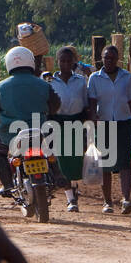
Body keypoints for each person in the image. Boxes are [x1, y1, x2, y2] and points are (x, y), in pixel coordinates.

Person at [0, 46, 60, 200]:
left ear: (9, 63)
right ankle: (57, 174)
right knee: (51, 146)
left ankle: (8, 184)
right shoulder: (43, 84)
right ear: (31, 62)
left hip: (10, 136)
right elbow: (55, 106)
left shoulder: (0, 87)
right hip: (40, 133)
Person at [86, 44, 131, 214]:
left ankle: (126, 199)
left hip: (123, 123)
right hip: (103, 124)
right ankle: (107, 202)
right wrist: (92, 122)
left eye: (112, 58)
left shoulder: (126, 77)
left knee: (124, 163)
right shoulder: (95, 78)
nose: (109, 61)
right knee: (105, 165)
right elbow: (92, 103)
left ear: (117, 59)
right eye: (106, 58)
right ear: (101, 59)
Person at [47, 46, 90, 212]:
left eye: (68, 61)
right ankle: (71, 199)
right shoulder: (50, 81)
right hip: (57, 123)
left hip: (76, 123)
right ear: (57, 62)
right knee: (61, 160)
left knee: (76, 159)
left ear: (73, 62)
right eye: (62, 61)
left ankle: (74, 188)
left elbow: (86, 103)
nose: (65, 64)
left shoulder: (80, 81)